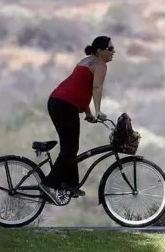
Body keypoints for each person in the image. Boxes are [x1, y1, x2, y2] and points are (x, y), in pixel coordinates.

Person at [39, 35, 115, 205]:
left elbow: (81, 88)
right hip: (66, 105)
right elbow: (96, 87)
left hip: (56, 101)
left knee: (70, 148)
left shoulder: (85, 61)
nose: (113, 52)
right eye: (110, 49)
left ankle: (70, 183)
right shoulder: (100, 65)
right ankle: (49, 184)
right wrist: (98, 111)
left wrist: (88, 112)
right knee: (69, 149)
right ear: (99, 51)